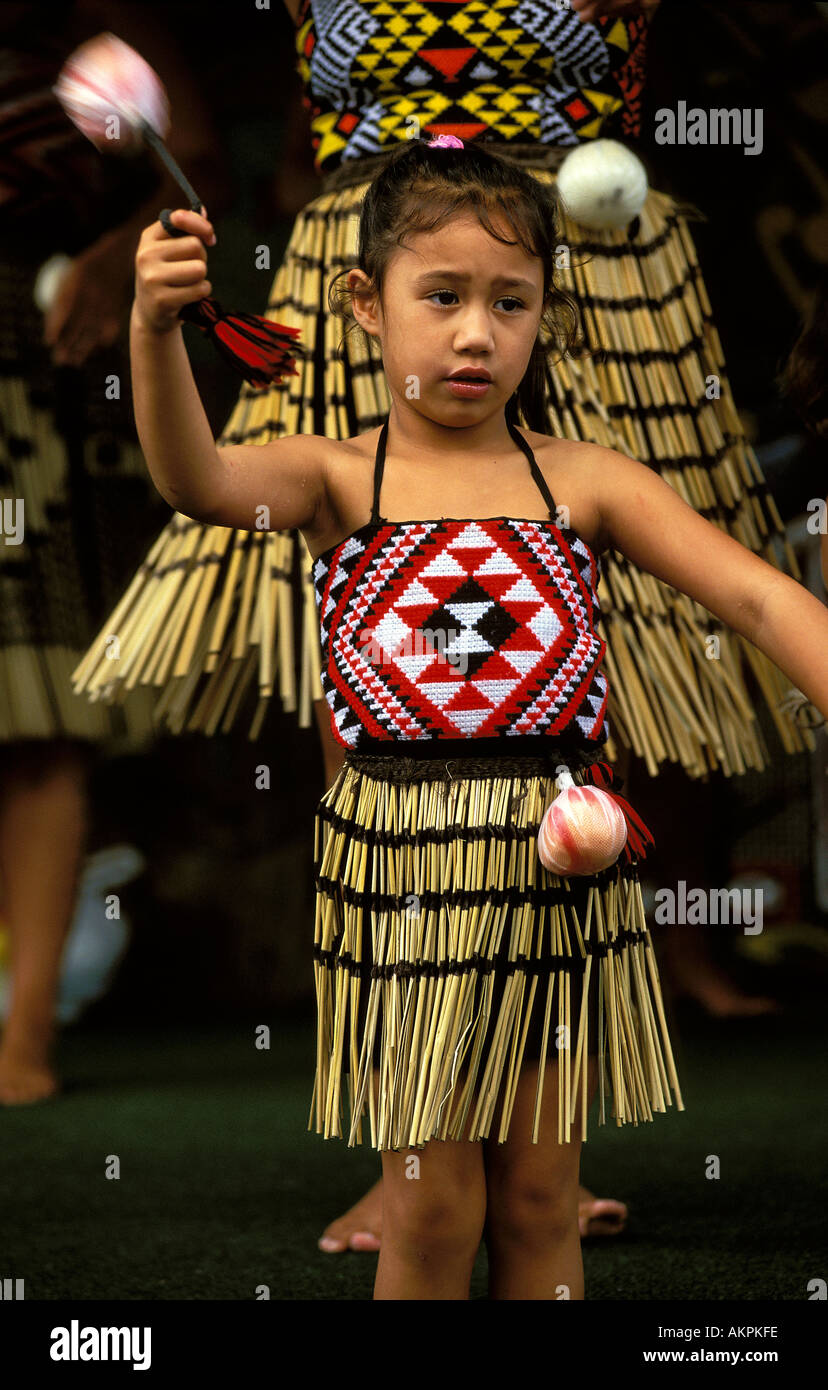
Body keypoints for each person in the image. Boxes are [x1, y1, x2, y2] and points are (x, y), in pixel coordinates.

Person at [73, 0, 805, 1247]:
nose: (475, 333)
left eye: (511, 303)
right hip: (401, 875)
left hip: (557, 881)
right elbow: (195, 483)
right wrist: (154, 330)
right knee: (429, 1216)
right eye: (443, 295)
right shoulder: (326, 477)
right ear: (363, 305)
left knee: (533, 1207)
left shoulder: (588, 476)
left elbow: (750, 589)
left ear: (548, 314)